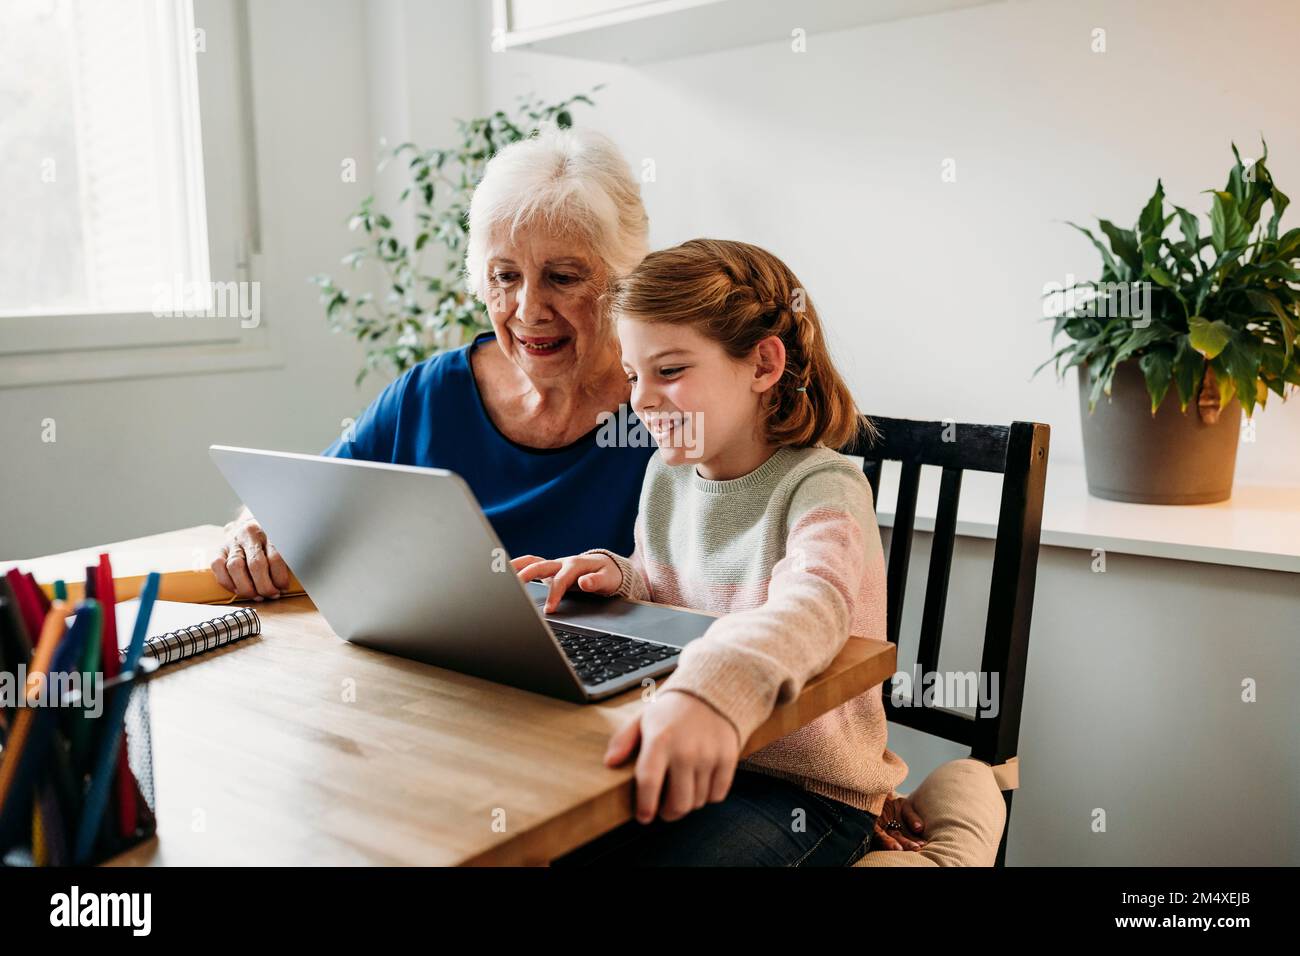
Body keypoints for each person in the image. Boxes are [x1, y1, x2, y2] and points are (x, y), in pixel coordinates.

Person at [516, 239, 921, 864]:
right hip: (694, 756)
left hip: (803, 791)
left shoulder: (825, 485)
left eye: (670, 371)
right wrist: (617, 577)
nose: (642, 399)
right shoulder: (668, 475)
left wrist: (711, 692)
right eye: (633, 375)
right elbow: (664, 589)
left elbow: (814, 608)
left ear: (762, 364)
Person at [210, 126, 655, 599]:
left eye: (562, 277)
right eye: (505, 276)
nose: (528, 310)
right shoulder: (431, 394)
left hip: (610, 667)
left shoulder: (665, 408)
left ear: (623, 280)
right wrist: (256, 526)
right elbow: (309, 506)